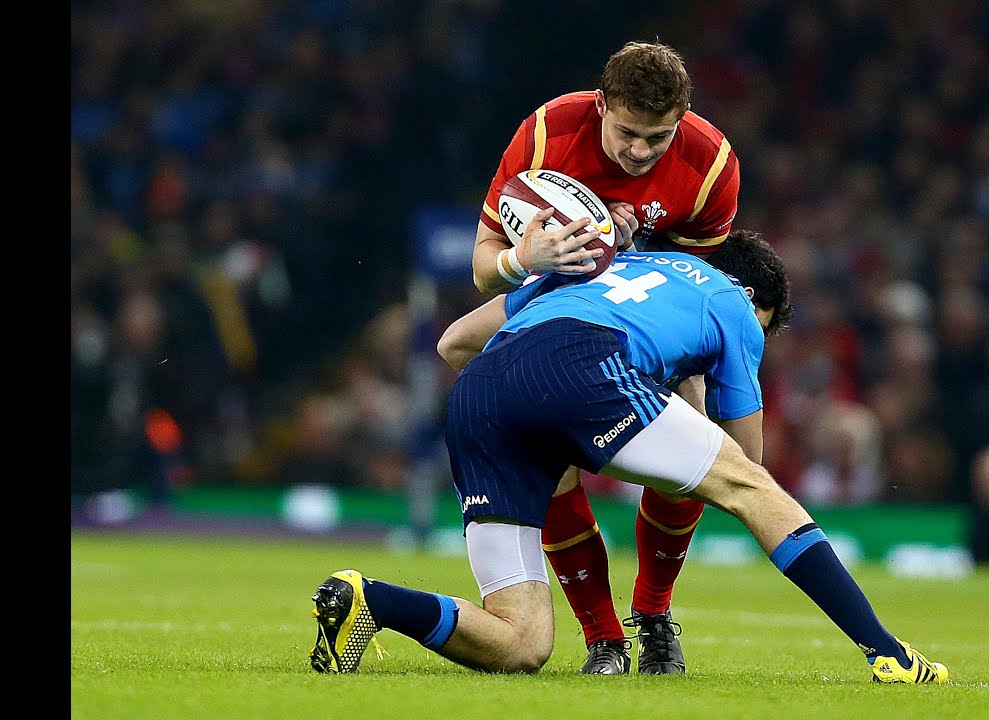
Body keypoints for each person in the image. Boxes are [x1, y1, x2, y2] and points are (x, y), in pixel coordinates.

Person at [308, 229, 949, 684]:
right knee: (756, 490)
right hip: (582, 367)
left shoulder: (605, 264)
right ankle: (885, 652)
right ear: (756, 300)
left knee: (522, 644)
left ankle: (371, 600)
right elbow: (745, 464)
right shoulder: (734, 306)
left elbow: (453, 344)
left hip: (479, 395)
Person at [468, 40, 741, 674]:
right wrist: (525, 260)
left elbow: (694, 278)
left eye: (659, 137)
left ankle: (652, 611)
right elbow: (484, 268)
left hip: (643, 300)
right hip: (550, 296)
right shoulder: (547, 134)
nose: (642, 150)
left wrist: (626, 246)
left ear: (683, 119)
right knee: (458, 347)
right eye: (628, 133)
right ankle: (603, 638)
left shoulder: (709, 164)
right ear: (601, 106)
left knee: (693, 438)